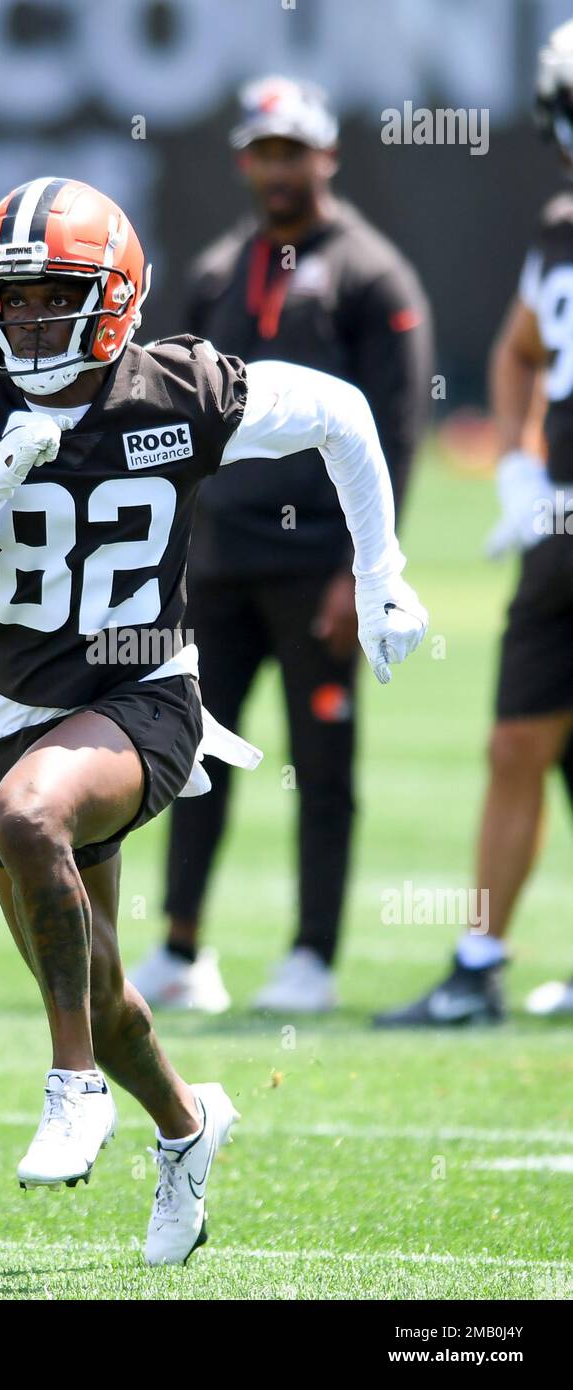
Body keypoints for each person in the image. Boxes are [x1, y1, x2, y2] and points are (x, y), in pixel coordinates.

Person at [0, 176, 427, 1261]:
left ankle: (69, 1082)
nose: (27, 320)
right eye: (12, 298)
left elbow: (341, 413)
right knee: (99, 982)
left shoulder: (175, 389)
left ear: (115, 297)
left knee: (33, 820)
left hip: (144, 694)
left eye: (53, 297)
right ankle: (186, 1126)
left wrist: (380, 573)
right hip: (10, 714)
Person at [129, 77, 432, 1014]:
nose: (276, 168)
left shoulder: (371, 272)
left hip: (316, 571)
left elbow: (396, 427)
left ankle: (312, 956)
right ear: (243, 160)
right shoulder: (220, 269)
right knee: (196, 753)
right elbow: (178, 409)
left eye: (292, 150)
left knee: (323, 763)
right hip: (220, 562)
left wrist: (366, 565)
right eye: (263, 151)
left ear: (326, 155)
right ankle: (182, 948)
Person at [375, 20, 573, 1027]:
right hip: (559, 541)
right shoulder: (556, 227)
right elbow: (514, 353)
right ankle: (477, 966)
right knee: (513, 744)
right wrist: (515, 469)